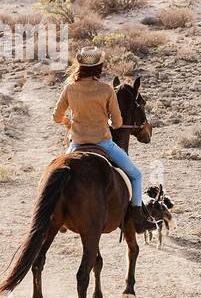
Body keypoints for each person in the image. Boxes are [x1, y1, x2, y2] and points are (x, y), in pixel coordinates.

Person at [52, 47, 155, 230]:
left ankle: (56, 213)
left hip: (76, 145)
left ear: (80, 65)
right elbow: (116, 124)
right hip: (104, 144)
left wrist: (69, 122)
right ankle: (137, 217)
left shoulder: (70, 88)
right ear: (99, 67)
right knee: (136, 175)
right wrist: (104, 119)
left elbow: (56, 116)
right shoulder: (106, 89)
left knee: (56, 174)